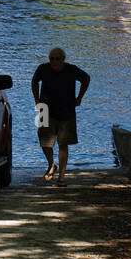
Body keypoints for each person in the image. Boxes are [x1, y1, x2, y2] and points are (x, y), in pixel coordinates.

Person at [31, 47, 90, 186]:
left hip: (66, 111)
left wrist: (79, 98)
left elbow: (86, 79)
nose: (54, 61)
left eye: (58, 58)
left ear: (63, 59)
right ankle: (51, 164)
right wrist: (37, 100)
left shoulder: (71, 69)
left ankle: (61, 177)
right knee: (44, 143)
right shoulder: (43, 69)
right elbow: (34, 81)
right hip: (45, 110)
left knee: (63, 144)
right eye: (52, 58)